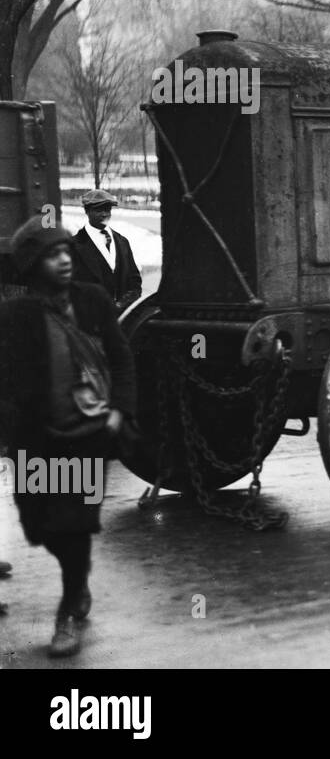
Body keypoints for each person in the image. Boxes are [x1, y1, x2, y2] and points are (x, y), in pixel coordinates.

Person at [0, 216, 135, 657]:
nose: (63, 262)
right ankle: (76, 581)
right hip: (37, 440)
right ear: (32, 267)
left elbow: (121, 359)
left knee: (74, 525)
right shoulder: (16, 316)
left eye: (65, 253)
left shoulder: (93, 302)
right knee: (41, 526)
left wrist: (118, 412)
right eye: (51, 256)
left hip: (86, 436)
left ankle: (68, 608)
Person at [71, 189, 141, 314]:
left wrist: (122, 305)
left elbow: (134, 282)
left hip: (121, 319)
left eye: (107, 210)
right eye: (98, 210)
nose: (104, 214)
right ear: (87, 211)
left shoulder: (122, 242)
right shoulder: (74, 245)